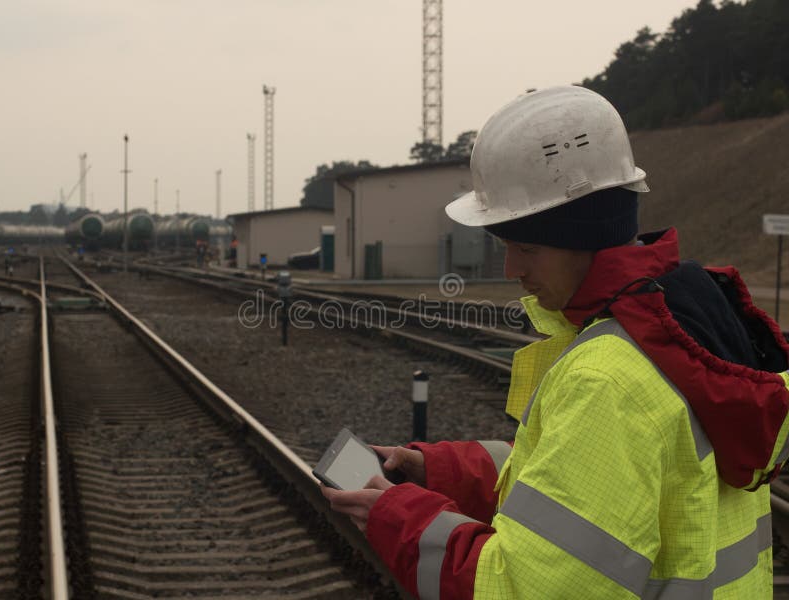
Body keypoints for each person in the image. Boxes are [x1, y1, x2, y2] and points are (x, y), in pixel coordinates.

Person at [321, 86, 784, 598]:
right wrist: (441, 472)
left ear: (585, 238)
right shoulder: (687, 321)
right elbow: (589, 483)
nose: (511, 269)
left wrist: (398, 517)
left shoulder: (607, 379)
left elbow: (520, 587)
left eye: (527, 248)